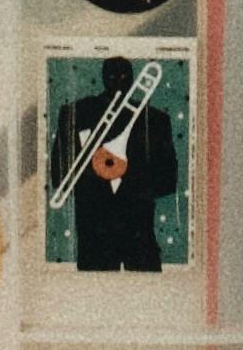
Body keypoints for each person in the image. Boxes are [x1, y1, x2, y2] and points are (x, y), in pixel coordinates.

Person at [52, 54, 178, 273]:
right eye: (112, 75)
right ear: (102, 77)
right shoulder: (75, 113)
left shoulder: (156, 120)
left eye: (123, 75)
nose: (117, 80)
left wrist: (129, 178)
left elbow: (168, 179)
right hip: (94, 240)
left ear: (132, 77)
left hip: (139, 240)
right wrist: (95, 175)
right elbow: (59, 174)